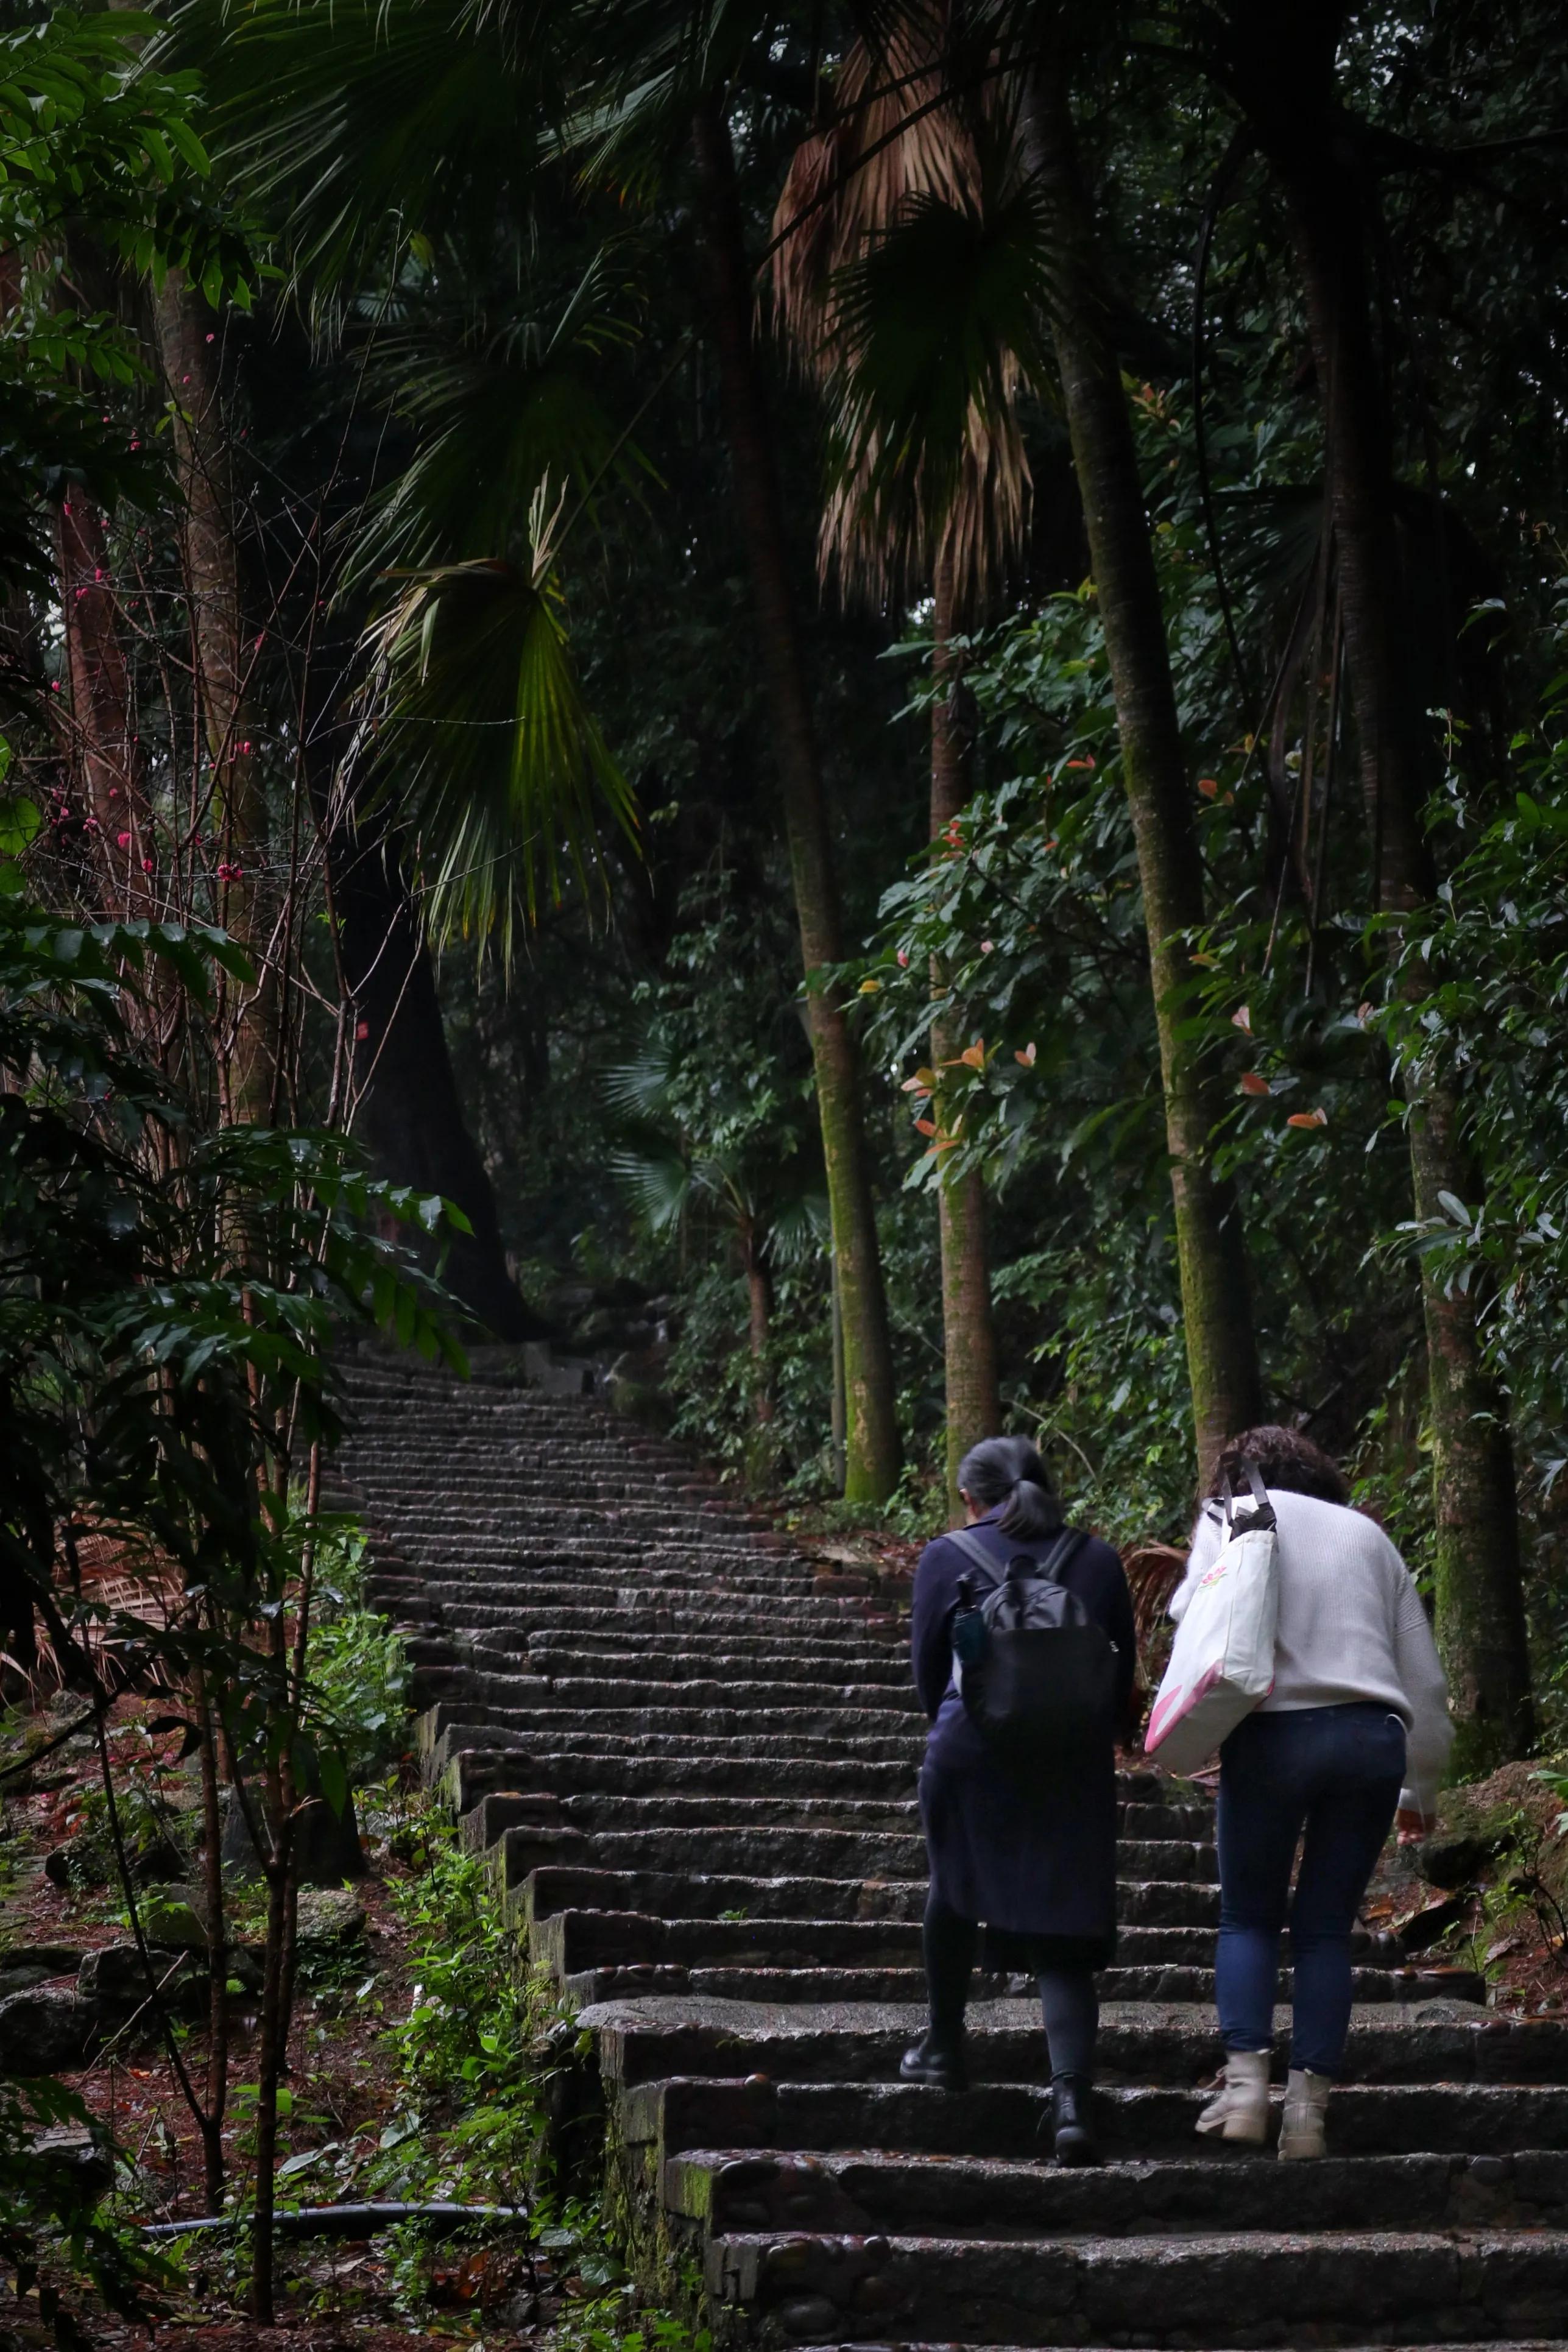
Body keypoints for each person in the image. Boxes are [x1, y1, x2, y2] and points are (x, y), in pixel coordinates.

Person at [1177, 1424, 1453, 2160]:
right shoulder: (1368, 1538)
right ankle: (1307, 2117)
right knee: (1327, 1928)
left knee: (1249, 1918)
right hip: (1371, 1740)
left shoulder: (1232, 1515)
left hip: (1273, 1734)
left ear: (1241, 1472)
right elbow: (1423, 1678)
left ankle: (1243, 2096)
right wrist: (1419, 1791)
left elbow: (1190, 1619)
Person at [904, 1435, 1136, 2165]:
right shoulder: (1097, 1561)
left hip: (970, 1751)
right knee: (1061, 1933)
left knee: (953, 1884)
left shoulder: (946, 1557)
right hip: (1070, 1762)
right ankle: (1071, 2103)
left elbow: (924, 1677)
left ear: (971, 1497)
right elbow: (1119, 1673)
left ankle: (943, 2048)